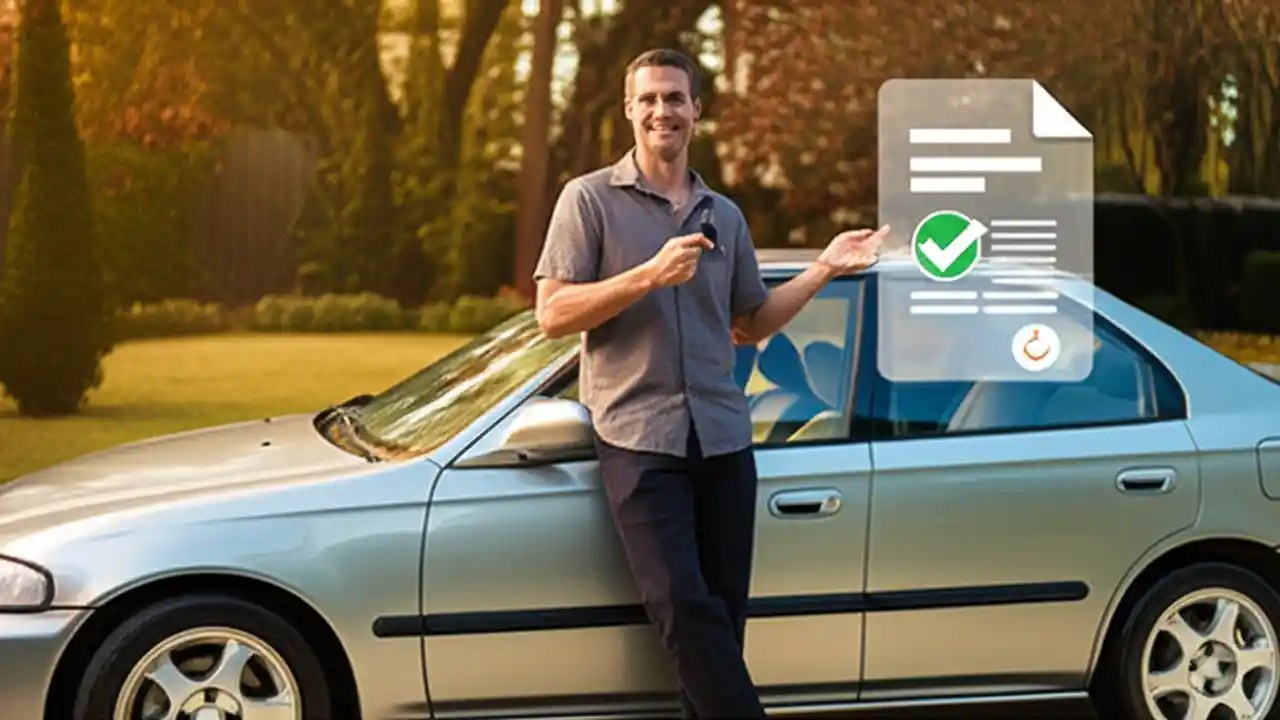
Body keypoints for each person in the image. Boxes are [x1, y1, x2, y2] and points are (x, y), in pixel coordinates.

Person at [532, 48, 885, 719]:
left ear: (697, 110)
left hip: (724, 441)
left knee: (720, 623)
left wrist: (824, 269)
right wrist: (648, 275)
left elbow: (749, 325)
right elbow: (553, 314)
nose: (662, 110)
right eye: (649, 99)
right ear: (630, 111)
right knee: (682, 609)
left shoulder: (724, 215)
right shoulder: (588, 201)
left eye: (675, 98)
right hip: (639, 441)